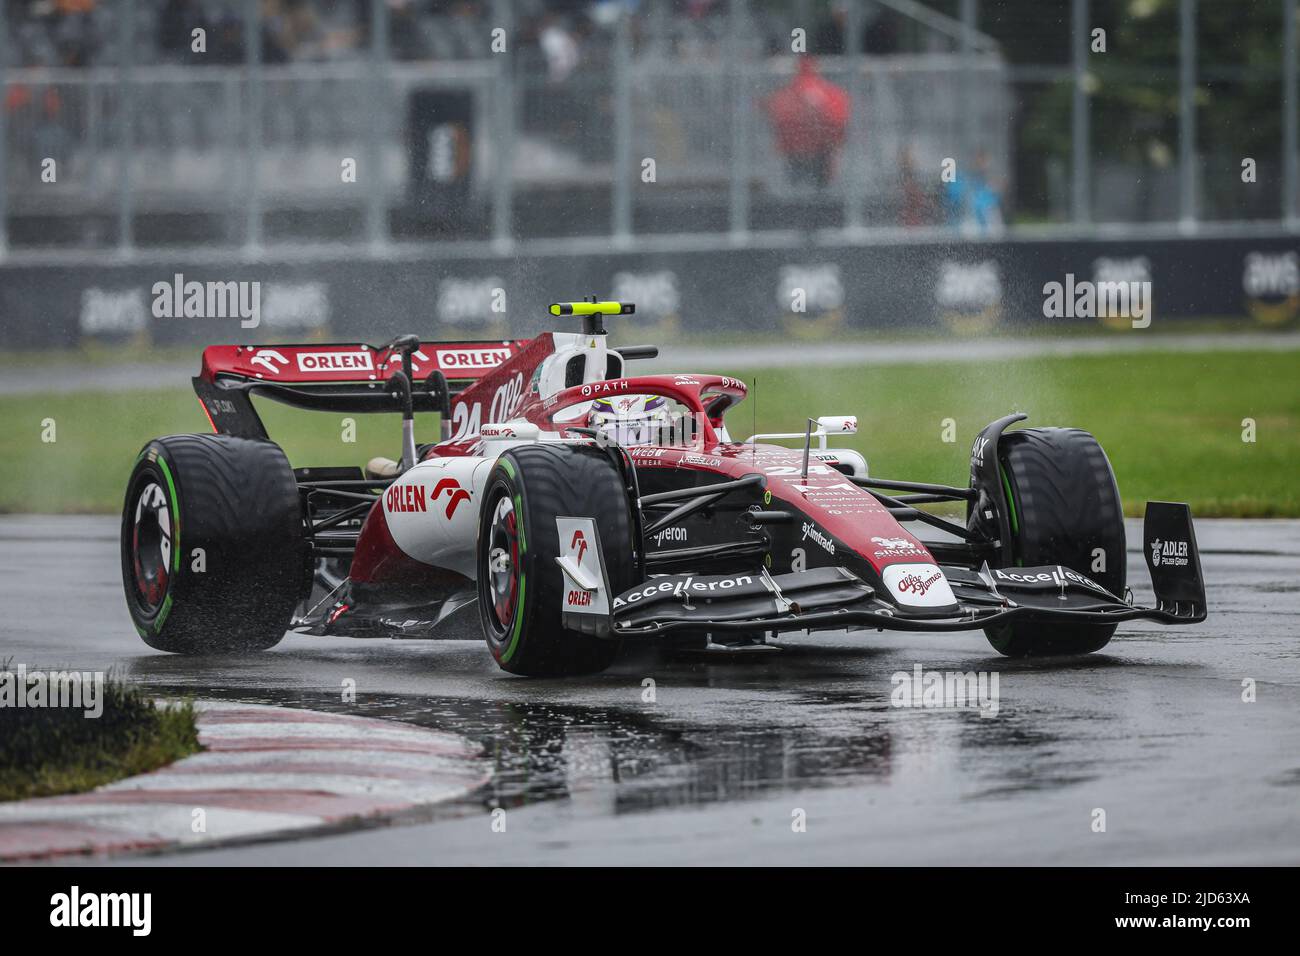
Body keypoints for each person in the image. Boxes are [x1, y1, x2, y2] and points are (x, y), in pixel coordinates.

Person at [764, 57, 850, 189]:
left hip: (797, 150)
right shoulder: (832, 94)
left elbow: (775, 115)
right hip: (821, 149)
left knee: (796, 186)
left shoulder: (787, 94)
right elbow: (839, 123)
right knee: (820, 188)